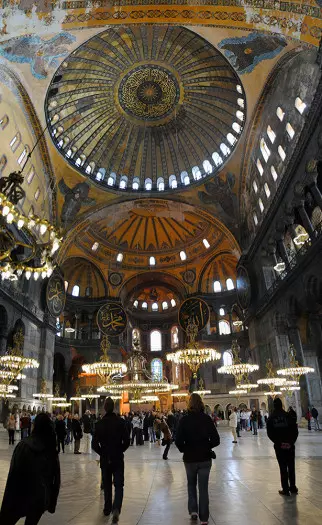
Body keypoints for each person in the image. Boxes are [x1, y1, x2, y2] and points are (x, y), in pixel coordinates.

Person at [0, 413, 60, 525]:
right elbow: (56, 478)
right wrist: (52, 502)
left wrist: (7, 504)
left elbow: (13, 475)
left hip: (22, 494)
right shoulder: (51, 447)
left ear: (35, 426)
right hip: (41, 497)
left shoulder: (24, 445)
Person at [175, 393, 220, 525]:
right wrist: (207, 446)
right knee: (203, 488)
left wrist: (185, 449)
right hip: (205, 458)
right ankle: (204, 518)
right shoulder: (206, 419)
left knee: (191, 484)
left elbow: (178, 441)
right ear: (201, 403)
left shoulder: (184, 420)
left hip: (189, 459)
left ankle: (193, 511)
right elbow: (216, 440)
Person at [92, 397, 130, 523]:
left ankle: (107, 508)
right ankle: (116, 509)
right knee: (119, 485)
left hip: (105, 459)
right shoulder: (120, 422)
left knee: (107, 485)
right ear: (113, 407)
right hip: (118, 458)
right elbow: (127, 441)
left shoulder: (99, 424)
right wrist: (120, 450)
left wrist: (102, 453)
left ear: (104, 408)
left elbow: (94, 445)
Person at [267, 397, 299, 496]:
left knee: (283, 467)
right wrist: (291, 442)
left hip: (279, 446)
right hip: (289, 446)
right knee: (291, 466)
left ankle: (285, 489)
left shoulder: (271, 418)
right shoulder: (288, 416)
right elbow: (295, 431)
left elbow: (270, 433)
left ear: (274, 406)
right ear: (282, 405)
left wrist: (278, 443)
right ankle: (293, 487)